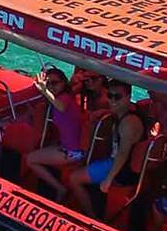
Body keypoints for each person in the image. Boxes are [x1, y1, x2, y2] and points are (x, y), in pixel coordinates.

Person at [68, 80, 147, 219]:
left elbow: (122, 154)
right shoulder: (124, 112)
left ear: (129, 96)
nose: (112, 100)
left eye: (117, 97)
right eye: (110, 96)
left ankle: (91, 218)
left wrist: (109, 179)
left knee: (74, 178)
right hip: (115, 162)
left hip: (121, 170)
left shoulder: (129, 123)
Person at [25, 67, 85, 200]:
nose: (51, 86)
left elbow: (61, 106)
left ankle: (59, 188)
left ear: (63, 83)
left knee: (30, 159)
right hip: (67, 147)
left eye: (55, 83)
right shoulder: (59, 97)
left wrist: (44, 90)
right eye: (48, 83)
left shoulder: (65, 98)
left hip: (73, 152)